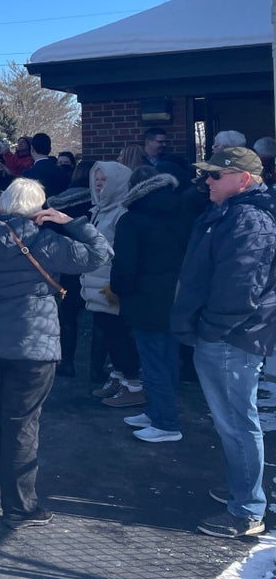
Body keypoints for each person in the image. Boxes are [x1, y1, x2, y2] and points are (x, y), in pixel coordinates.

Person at [0, 178, 112, 527]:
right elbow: (101, 254)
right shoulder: (46, 239)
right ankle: (19, 505)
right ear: (39, 209)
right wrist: (70, 222)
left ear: (3, 204)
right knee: (21, 423)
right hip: (31, 345)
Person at [171, 147, 276, 539]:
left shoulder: (248, 218)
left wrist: (211, 328)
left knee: (236, 422)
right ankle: (243, 489)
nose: (207, 181)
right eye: (207, 175)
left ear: (243, 179)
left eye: (216, 175)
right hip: (227, 332)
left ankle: (247, 509)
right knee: (232, 420)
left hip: (231, 336)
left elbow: (241, 284)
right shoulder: (234, 213)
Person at [109, 166, 188, 442]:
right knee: (167, 359)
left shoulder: (132, 219)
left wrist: (119, 289)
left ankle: (166, 422)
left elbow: (124, 264)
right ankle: (157, 411)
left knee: (153, 361)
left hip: (144, 298)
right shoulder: (182, 212)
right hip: (175, 295)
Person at [80, 162, 143, 407]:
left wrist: (115, 285)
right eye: (96, 179)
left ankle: (133, 384)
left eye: (104, 180)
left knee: (119, 337)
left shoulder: (121, 212)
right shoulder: (100, 209)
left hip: (110, 287)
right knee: (107, 335)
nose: (98, 184)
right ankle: (118, 377)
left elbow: (118, 252)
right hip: (96, 284)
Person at [46, 159, 97, 378]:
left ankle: (67, 361)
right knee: (101, 318)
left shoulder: (57, 204)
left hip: (67, 263)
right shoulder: (99, 203)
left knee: (67, 315)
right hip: (96, 263)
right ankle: (97, 367)